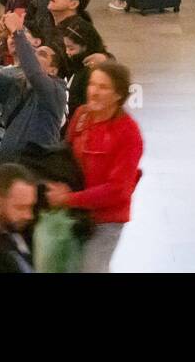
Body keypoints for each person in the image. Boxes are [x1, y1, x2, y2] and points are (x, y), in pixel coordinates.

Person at [42, 57, 143, 272]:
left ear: (118, 95)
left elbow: (118, 191)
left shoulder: (129, 134)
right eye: (92, 84)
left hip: (106, 220)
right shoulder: (82, 115)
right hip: (74, 213)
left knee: (90, 268)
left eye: (103, 87)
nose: (94, 92)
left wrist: (69, 199)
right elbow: (65, 155)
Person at [0, 9, 67, 162]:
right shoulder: (16, 85)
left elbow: (34, 74)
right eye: (35, 54)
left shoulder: (56, 90)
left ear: (54, 70)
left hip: (35, 170)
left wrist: (18, 32)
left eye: (42, 54)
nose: (35, 56)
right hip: (7, 165)